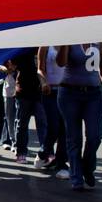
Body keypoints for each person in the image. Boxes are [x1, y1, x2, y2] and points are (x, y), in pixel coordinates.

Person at [54, 43, 102, 191]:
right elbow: (60, 63)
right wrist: (67, 43)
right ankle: (76, 178)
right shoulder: (70, 42)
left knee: (94, 136)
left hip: (93, 94)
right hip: (69, 94)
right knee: (74, 138)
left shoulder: (98, 43)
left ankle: (87, 167)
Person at [10, 50, 48, 167]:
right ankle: (21, 152)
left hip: (39, 91)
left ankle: (45, 153)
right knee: (22, 124)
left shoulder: (42, 47)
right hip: (23, 91)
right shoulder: (22, 48)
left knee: (42, 123)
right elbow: (12, 65)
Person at [37, 45, 69, 179]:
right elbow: (40, 69)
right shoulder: (45, 46)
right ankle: (43, 152)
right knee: (54, 126)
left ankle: (62, 163)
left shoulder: (69, 45)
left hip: (67, 91)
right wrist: (44, 82)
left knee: (64, 129)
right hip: (50, 92)